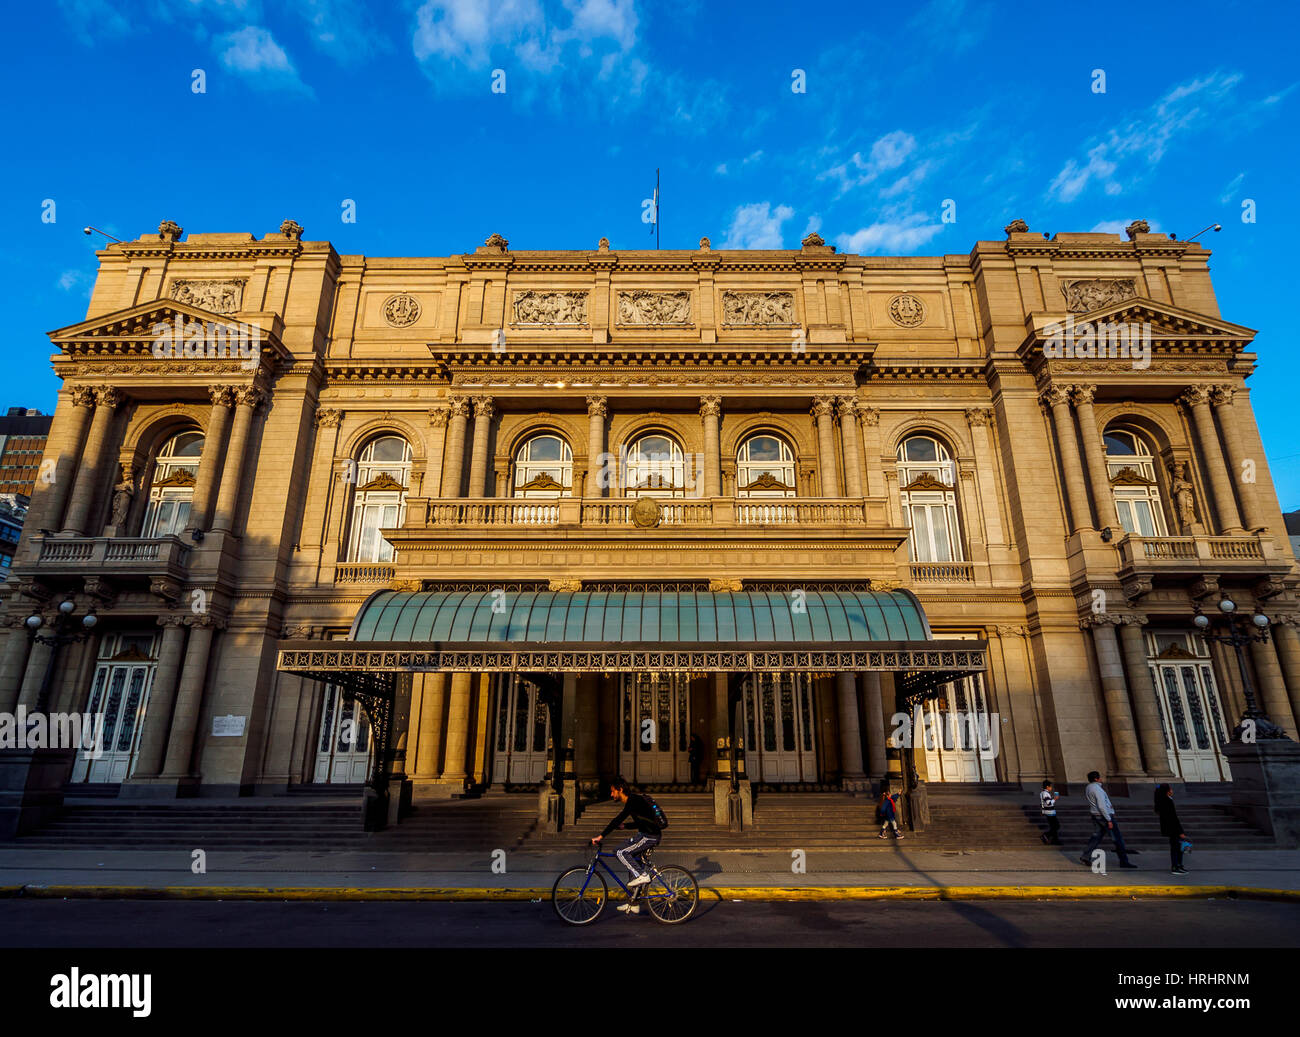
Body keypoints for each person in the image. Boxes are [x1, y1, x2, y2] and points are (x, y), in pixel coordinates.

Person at [592, 776, 663, 915]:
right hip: (644, 833)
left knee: (619, 852)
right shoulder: (633, 802)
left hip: (650, 836)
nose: (611, 794)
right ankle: (634, 903)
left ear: (620, 790)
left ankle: (643, 875)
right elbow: (643, 822)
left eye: (613, 791)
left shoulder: (632, 800)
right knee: (632, 861)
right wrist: (626, 826)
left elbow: (617, 818)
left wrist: (601, 836)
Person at [1080, 771, 1137, 869]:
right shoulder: (1097, 789)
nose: (1101, 779)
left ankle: (1086, 855)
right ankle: (1124, 861)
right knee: (1117, 839)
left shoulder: (1089, 787)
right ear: (1096, 779)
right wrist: (1109, 819)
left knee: (1096, 837)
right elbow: (1102, 806)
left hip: (1095, 815)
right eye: (1099, 777)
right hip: (1103, 816)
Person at [1155, 783, 1189, 875]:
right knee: (1176, 848)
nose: (1172, 791)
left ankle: (1179, 865)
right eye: (1171, 789)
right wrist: (1180, 831)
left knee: (1178, 848)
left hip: (1172, 829)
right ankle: (1176, 866)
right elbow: (1173, 818)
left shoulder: (1165, 800)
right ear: (1167, 791)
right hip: (1173, 829)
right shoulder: (1167, 801)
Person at [1039, 779, 1061, 845]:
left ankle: (1055, 840)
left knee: (1054, 826)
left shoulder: (1043, 793)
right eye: (1051, 786)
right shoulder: (1045, 793)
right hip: (1050, 812)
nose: (1051, 788)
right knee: (1056, 826)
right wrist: (1055, 798)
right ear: (1047, 787)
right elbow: (1048, 803)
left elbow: (1043, 803)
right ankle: (1046, 835)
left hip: (1048, 812)